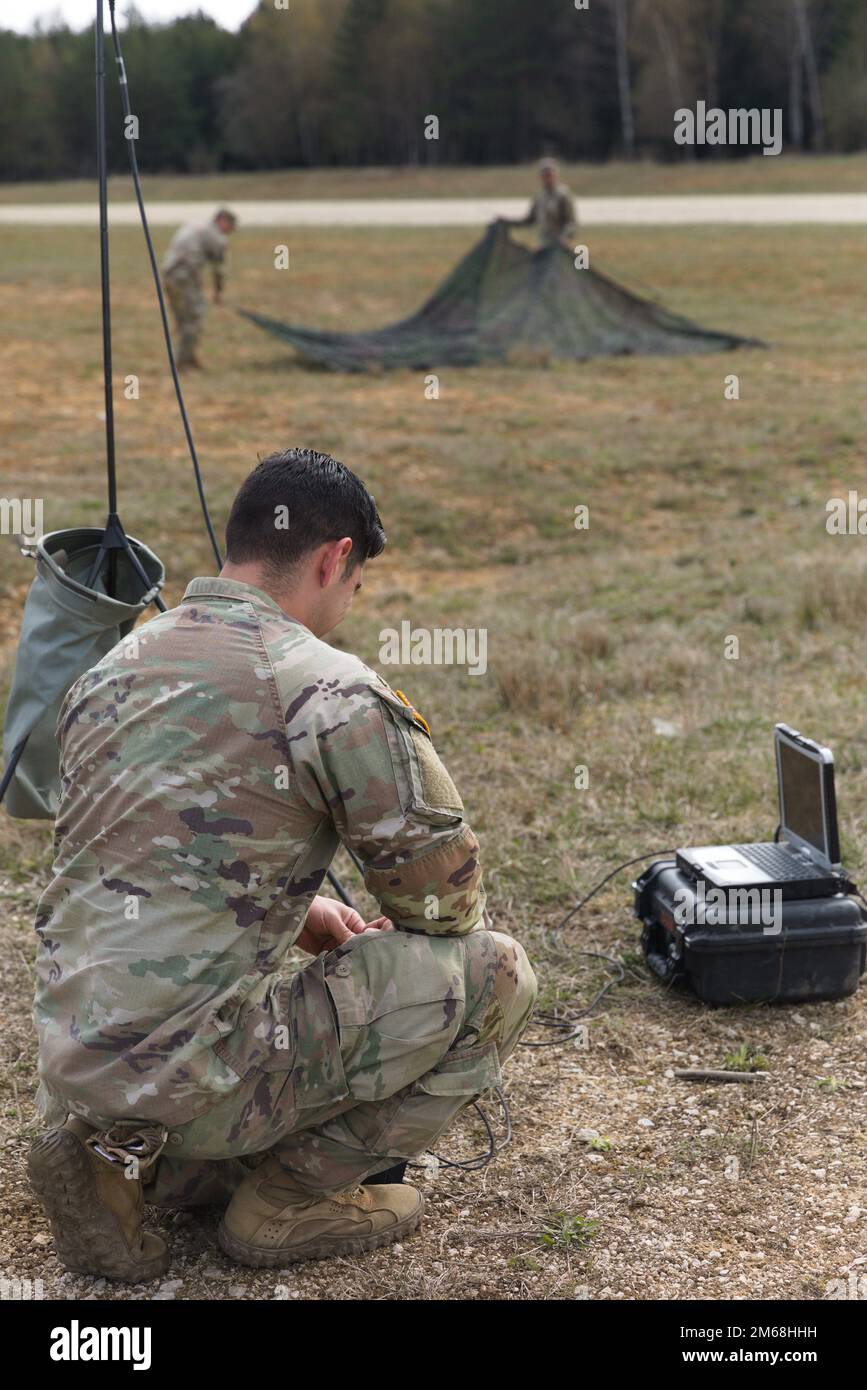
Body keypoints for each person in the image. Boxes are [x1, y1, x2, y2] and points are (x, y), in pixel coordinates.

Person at [27, 448, 537, 1279]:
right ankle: (285, 1203)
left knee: (187, 1045)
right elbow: (445, 904)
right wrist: (376, 933)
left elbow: (141, 856)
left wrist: (301, 913)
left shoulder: (108, 672)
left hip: (79, 1066)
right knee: (497, 976)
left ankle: (119, 1158)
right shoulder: (327, 689)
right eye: (356, 583)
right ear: (337, 559)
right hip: (193, 1075)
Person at [161, 207, 238, 369]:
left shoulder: (194, 225)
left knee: (183, 318)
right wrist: (218, 292)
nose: (229, 232)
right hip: (184, 278)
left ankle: (188, 356)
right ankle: (183, 361)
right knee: (194, 317)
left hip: (170, 275)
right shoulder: (215, 236)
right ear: (223, 221)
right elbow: (218, 269)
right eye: (230, 228)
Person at [499, 157, 577, 249]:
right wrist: (507, 222)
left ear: (555, 175)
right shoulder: (539, 197)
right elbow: (529, 220)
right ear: (541, 177)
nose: (548, 178)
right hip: (544, 244)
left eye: (550, 174)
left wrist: (564, 238)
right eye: (545, 175)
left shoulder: (563, 195)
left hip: (560, 246)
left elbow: (571, 223)